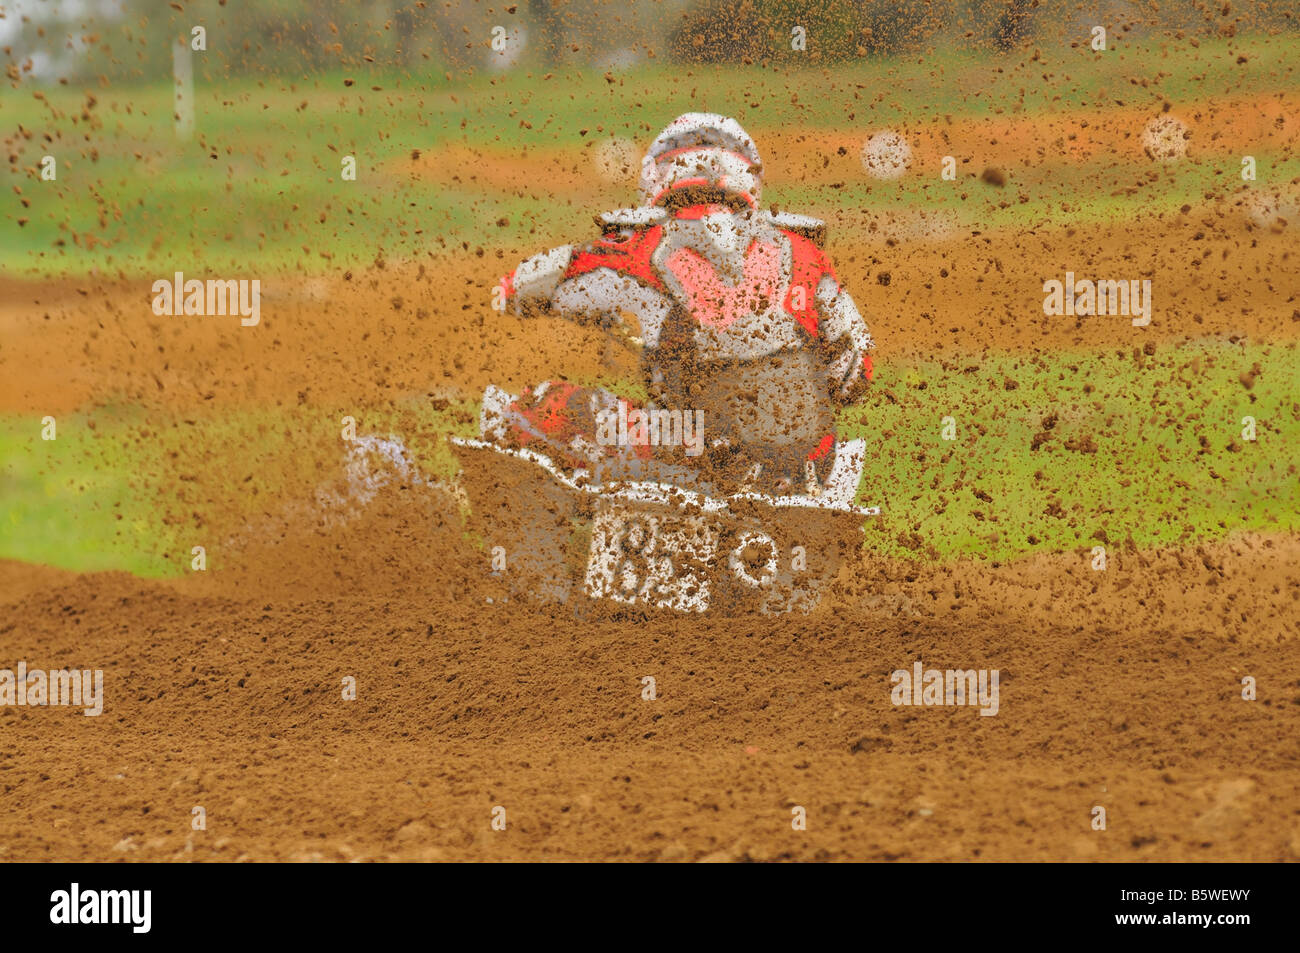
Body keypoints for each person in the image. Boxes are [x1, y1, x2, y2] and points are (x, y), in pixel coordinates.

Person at [485, 112, 876, 496]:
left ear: (659, 174)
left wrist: (599, 314)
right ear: (749, 179)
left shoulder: (635, 245)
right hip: (812, 470)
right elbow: (855, 376)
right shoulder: (807, 252)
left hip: (700, 454)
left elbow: (517, 289)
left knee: (537, 407)